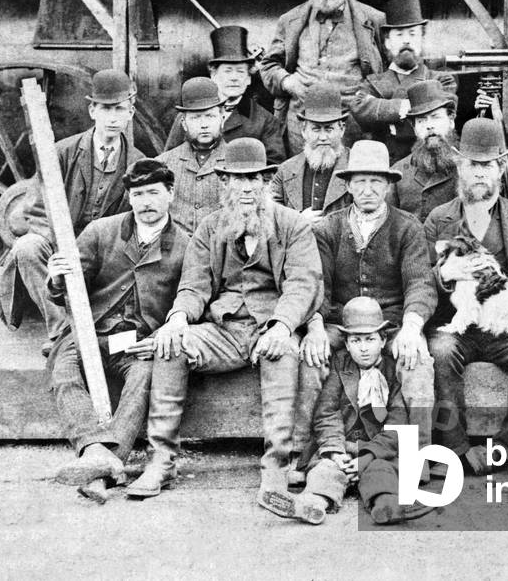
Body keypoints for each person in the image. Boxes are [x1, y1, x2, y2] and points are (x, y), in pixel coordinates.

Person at [126, 139, 324, 513]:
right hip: (225, 329)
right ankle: (162, 460)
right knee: (173, 346)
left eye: (254, 180)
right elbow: (194, 284)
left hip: (273, 327)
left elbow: (302, 283)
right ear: (224, 183)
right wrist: (178, 319)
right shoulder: (211, 226)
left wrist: (282, 326)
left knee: (283, 353)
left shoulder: (292, 225)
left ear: (267, 182)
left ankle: (276, 470)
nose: (246, 189)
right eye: (237, 180)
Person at [425, 118, 508, 474]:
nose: (480, 174)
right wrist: (443, 274)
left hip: (505, 326)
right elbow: (417, 281)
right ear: (459, 165)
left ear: (501, 167)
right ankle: (452, 450)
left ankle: (507, 450)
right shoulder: (438, 219)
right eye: (472, 164)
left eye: (488, 165)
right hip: (457, 326)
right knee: (438, 353)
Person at [46, 159, 188, 503]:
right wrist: (55, 278)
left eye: (154, 193)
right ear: (129, 198)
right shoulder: (100, 231)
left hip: (139, 343)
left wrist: (159, 337)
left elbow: (189, 299)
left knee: (144, 377)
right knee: (63, 369)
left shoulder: (186, 244)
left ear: (170, 194)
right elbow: (67, 287)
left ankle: (103, 465)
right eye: (138, 194)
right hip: (91, 334)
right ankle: (95, 447)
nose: (146, 202)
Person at [296, 140, 436, 475]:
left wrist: (412, 328)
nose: (368, 190)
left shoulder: (407, 227)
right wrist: (314, 327)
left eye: (376, 182)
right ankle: (302, 454)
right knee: (310, 358)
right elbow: (317, 285)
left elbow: (420, 283)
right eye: (360, 181)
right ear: (347, 185)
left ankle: (417, 458)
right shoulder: (328, 228)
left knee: (417, 363)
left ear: (388, 185)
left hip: (390, 324)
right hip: (339, 323)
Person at [0, 69, 145, 336]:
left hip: (103, 259)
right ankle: (62, 331)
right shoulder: (62, 153)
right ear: (92, 110)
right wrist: (62, 251)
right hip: (58, 250)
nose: (113, 117)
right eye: (105, 109)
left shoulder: (137, 164)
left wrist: (95, 255)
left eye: (120, 109)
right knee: (27, 247)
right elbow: (37, 211)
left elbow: (134, 226)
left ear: (130, 113)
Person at [262, 297, 433, 526]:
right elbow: (327, 414)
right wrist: (334, 451)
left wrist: (369, 455)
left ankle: (387, 506)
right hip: (342, 447)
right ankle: (311, 505)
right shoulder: (338, 366)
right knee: (325, 472)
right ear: (347, 343)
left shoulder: (392, 372)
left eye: (370, 339)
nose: (363, 348)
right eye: (356, 340)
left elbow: (397, 424)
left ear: (383, 341)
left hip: (376, 450)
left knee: (381, 473)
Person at [260, 0, 385, 153]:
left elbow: (388, 72)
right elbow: (268, 66)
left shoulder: (373, 19)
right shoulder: (290, 20)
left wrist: (366, 96)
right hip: (302, 126)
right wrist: (288, 82)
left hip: (354, 127)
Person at [348, 0, 457, 162]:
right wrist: (405, 107)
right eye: (399, 35)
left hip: (427, 165)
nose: (406, 40)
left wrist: (383, 109)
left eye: (413, 34)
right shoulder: (371, 83)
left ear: (421, 40)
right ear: (388, 43)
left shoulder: (442, 80)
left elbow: (442, 112)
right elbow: (359, 109)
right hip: (383, 168)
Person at [162, 25, 286, 164]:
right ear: (213, 75)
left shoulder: (266, 121)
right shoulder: (188, 115)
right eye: (228, 71)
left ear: (249, 78)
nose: (234, 78)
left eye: (240, 71)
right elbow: (168, 161)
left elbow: (273, 169)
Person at [156, 77, 229, 234]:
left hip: (221, 252)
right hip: (175, 253)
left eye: (210, 116)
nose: (204, 124)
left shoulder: (235, 164)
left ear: (222, 118)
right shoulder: (163, 164)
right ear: (183, 123)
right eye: (196, 117)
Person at [269, 84, 352, 224]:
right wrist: (297, 221)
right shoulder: (285, 170)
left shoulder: (356, 166)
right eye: (316, 129)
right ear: (303, 131)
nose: (323, 137)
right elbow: (269, 214)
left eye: (329, 129)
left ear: (342, 129)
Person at [389, 80, 460, 222]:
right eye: (421, 121)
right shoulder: (398, 173)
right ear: (414, 128)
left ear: (451, 121)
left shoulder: (467, 166)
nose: (429, 126)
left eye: (436, 117)